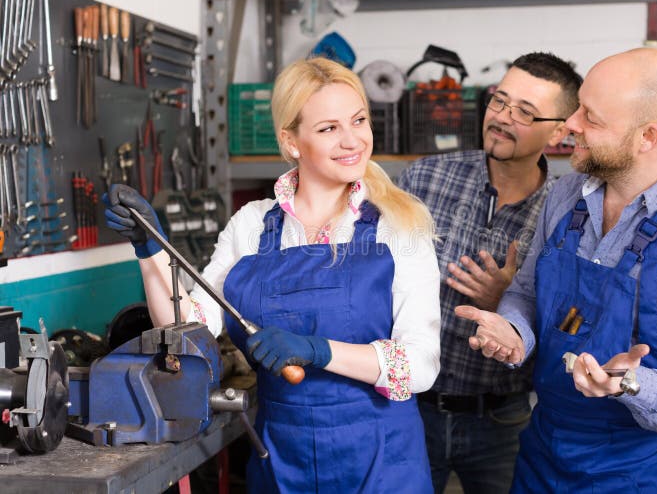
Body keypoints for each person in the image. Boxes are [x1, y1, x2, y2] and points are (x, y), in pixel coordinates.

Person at [103, 57, 442, 493]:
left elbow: (420, 364)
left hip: (380, 458)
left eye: (359, 121)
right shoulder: (251, 225)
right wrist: (150, 249)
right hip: (282, 459)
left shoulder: (400, 224)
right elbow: (185, 332)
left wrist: (318, 351)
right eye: (328, 128)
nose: (352, 140)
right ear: (291, 141)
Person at [456, 47, 657, 492]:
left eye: (592, 118)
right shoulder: (565, 196)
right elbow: (527, 292)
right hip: (543, 461)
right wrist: (514, 332)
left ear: (647, 137)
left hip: (642, 475)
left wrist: (637, 384)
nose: (570, 125)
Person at [397, 52, 582, 493]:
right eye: (500, 101)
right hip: (409, 410)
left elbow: (574, 326)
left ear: (559, 130)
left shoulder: (568, 215)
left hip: (503, 421)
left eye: (525, 112)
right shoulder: (424, 179)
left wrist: (508, 304)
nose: (502, 118)